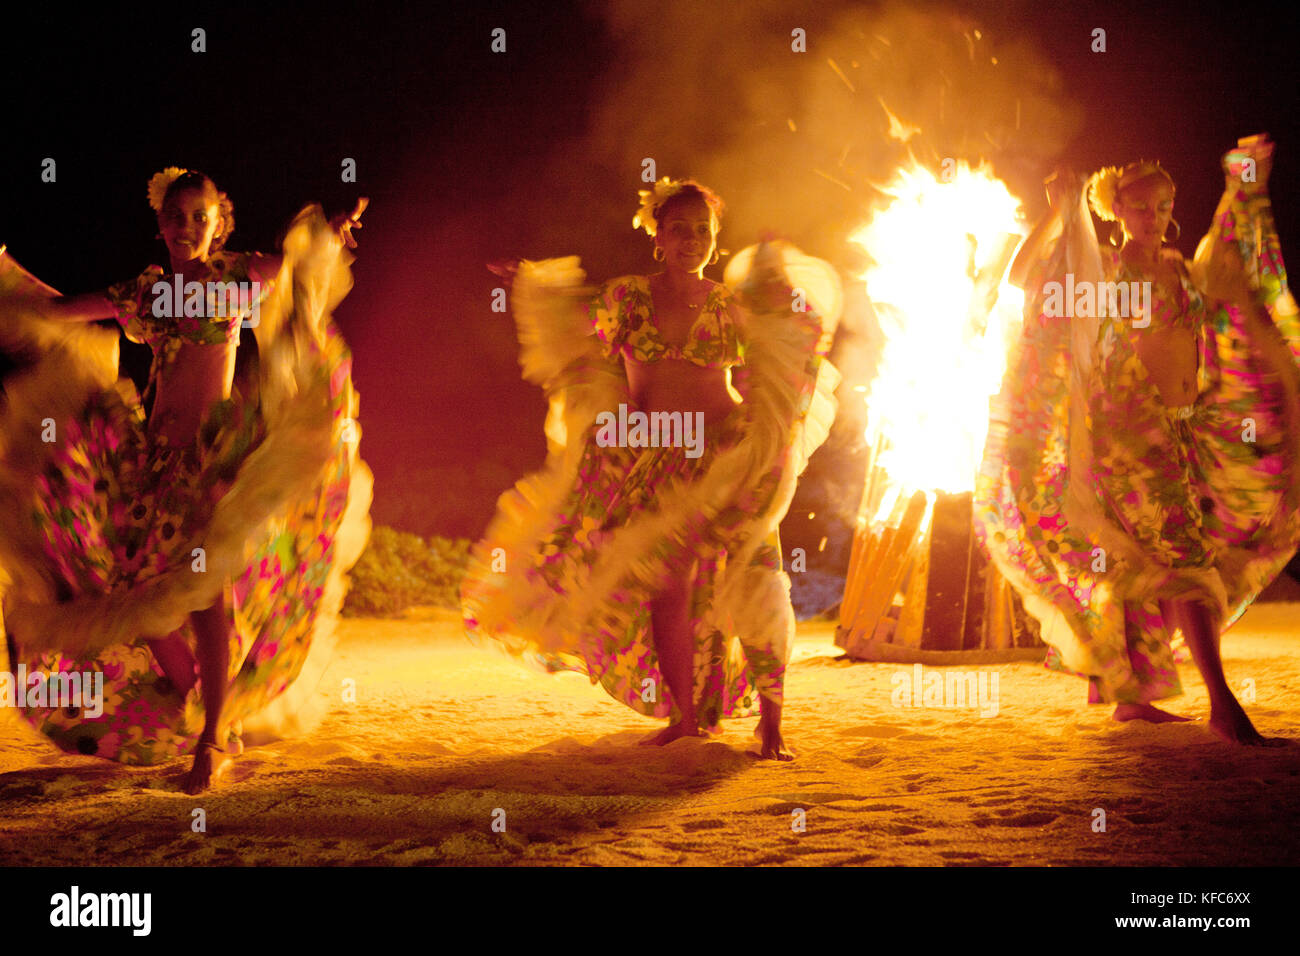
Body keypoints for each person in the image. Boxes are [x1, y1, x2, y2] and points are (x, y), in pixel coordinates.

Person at [0, 168, 373, 792]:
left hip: (209, 458)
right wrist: (5, 269)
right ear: (160, 224)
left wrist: (330, 236)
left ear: (216, 224)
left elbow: (297, 267)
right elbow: (59, 310)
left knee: (202, 595)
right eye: (176, 216)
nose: (186, 227)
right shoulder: (146, 292)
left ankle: (212, 736)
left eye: (199, 217)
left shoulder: (234, 276)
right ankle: (204, 706)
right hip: (152, 462)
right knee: (142, 596)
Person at [462, 178, 840, 759]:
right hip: (657, 453)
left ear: (714, 242)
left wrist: (774, 274)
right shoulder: (625, 298)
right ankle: (687, 718)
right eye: (680, 229)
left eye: (703, 232)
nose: (691, 240)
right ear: (658, 237)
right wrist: (531, 285)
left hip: (726, 453)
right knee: (664, 584)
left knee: (755, 573)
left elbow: (784, 336)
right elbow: (572, 330)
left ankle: (773, 724)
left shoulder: (726, 304)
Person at [976, 135, 1300, 744]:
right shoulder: (1106, 275)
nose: (1152, 218)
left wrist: (1242, 189)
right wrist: (1059, 211)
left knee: (1149, 563)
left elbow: (1234, 284)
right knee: (1186, 561)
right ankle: (1224, 705)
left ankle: (1131, 696)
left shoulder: (1180, 271)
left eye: (1162, 206)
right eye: (1141, 207)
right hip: (1131, 443)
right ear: (1117, 211)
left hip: (1184, 432)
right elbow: (1024, 278)